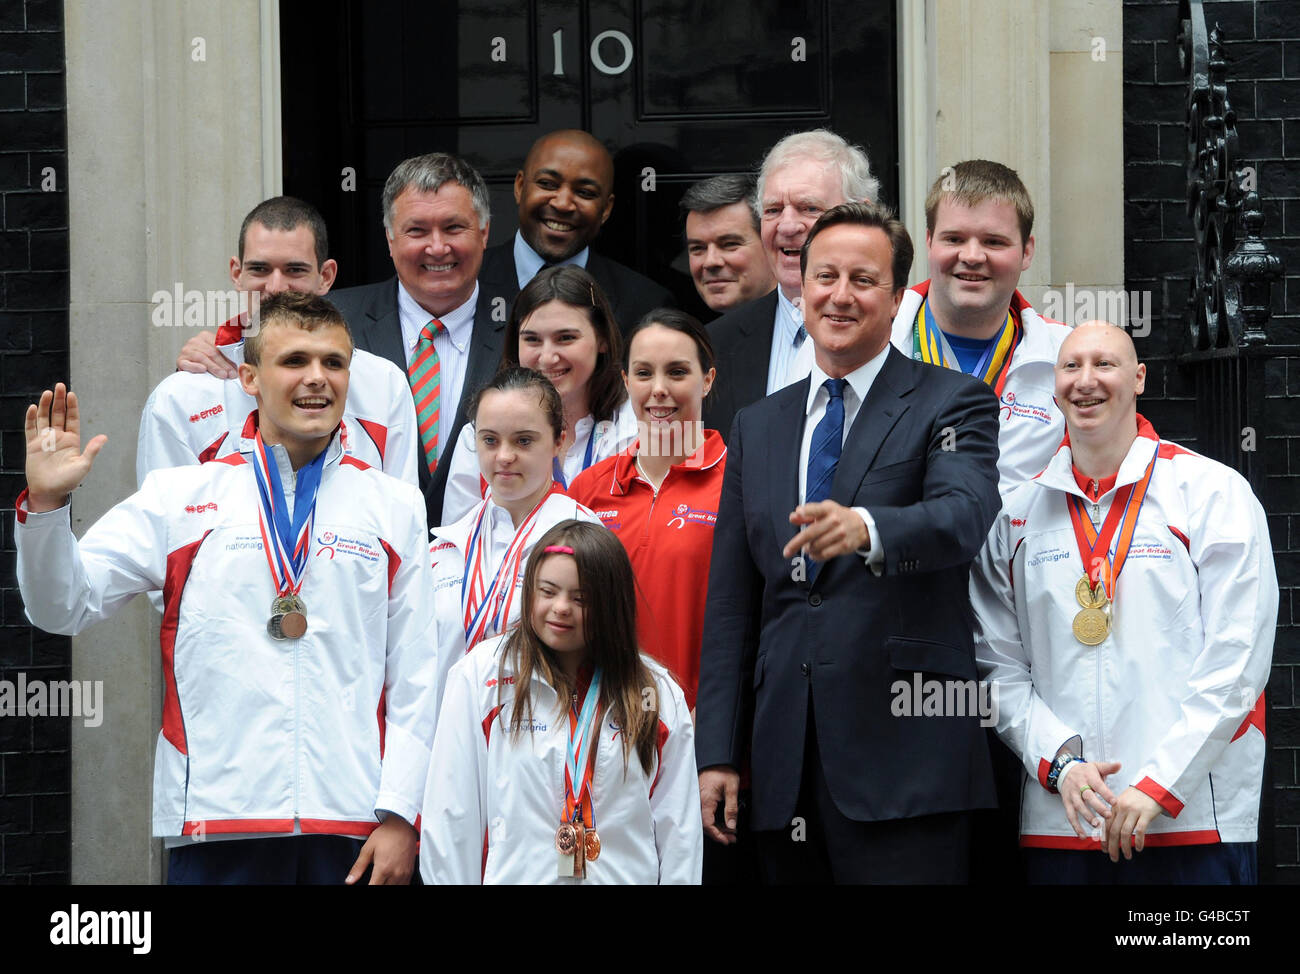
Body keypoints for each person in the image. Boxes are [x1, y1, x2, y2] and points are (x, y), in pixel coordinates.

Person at [17, 293, 438, 884]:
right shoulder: (181, 497)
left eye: (334, 362)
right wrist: (46, 507)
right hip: (217, 823)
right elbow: (62, 605)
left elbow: (418, 673)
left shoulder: (394, 506)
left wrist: (401, 815)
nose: (317, 379)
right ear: (249, 377)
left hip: (353, 826)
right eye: (294, 360)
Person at [695, 202, 1002, 884]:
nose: (839, 295)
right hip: (783, 768)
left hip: (906, 766)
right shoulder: (758, 425)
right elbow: (731, 605)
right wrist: (717, 750)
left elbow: (964, 515)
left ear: (898, 299)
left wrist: (867, 529)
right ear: (799, 291)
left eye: (863, 280)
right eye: (824, 276)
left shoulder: (953, 402)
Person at [969, 321, 1277, 884]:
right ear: (1055, 386)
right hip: (1066, 818)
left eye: (1105, 364)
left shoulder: (1212, 491)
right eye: (1070, 366)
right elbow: (995, 664)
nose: (1086, 381)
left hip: (1192, 817)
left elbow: (1239, 658)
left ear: (1138, 378)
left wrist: (1159, 783)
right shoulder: (1015, 514)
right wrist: (1059, 764)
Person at [176, 154, 506, 527]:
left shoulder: (528, 328)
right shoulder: (324, 320)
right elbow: (262, 329)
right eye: (416, 230)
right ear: (390, 238)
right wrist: (208, 353)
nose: (436, 247)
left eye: (453, 228)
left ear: (484, 232)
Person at [420, 519, 701, 884]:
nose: (561, 607)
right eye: (548, 591)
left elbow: (680, 835)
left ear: (612, 604)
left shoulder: (655, 694)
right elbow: (451, 816)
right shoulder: (481, 678)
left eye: (581, 598)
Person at [140, 196, 417, 486]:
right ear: (237, 274)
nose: (275, 287)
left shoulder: (383, 384)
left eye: (294, 270)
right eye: (260, 269)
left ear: (326, 276)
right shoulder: (180, 396)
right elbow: (167, 526)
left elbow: (400, 520)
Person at [567, 308, 722, 711]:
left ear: (707, 380)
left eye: (676, 372)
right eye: (643, 373)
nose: (658, 389)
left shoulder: (740, 481)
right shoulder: (589, 488)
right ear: (625, 381)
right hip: (604, 721)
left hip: (702, 726)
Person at [887, 160, 1069, 493]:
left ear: (1027, 252)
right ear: (929, 242)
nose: (972, 256)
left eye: (994, 242)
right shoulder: (874, 342)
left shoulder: (1067, 357)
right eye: (954, 238)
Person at [429, 367, 602, 704]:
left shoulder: (587, 538)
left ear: (559, 441)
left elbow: (605, 658)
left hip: (544, 743)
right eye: (490, 440)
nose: (504, 456)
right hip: (451, 741)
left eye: (523, 440)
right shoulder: (446, 546)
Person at [703, 129, 878, 438]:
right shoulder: (714, 346)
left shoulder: (906, 331)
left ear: (861, 215)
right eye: (773, 210)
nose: (786, 225)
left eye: (809, 208)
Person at [440, 266, 638, 523]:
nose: (547, 357)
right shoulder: (479, 436)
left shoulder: (637, 430)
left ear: (602, 339)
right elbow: (455, 548)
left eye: (565, 338)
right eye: (532, 340)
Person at [478, 129, 672, 335]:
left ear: (606, 209)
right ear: (519, 186)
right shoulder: (466, 281)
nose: (563, 204)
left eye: (584, 193)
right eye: (547, 184)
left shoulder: (646, 304)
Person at [679, 173, 776, 315]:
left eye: (729, 244)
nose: (710, 262)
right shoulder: (705, 334)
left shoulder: (811, 330)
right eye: (698, 248)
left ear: (772, 244)